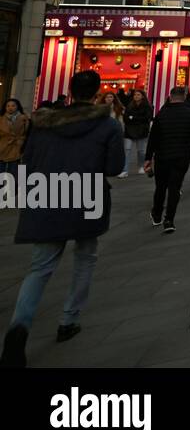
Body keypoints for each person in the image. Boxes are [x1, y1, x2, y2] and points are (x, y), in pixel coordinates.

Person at [0, 70, 124, 367]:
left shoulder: (43, 124)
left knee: (40, 266)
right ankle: (69, 319)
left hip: (47, 194)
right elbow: (114, 166)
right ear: (96, 93)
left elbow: (27, 159)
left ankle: (19, 328)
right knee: (85, 257)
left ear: (70, 91)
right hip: (86, 194)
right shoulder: (106, 125)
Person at [146, 86, 190, 233]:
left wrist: (148, 157)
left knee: (161, 187)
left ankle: (157, 213)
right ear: (184, 96)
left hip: (162, 156)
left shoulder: (162, 113)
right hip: (182, 155)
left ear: (170, 96)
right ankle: (169, 220)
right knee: (174, 188)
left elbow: (153, 137)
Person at [92, 92, 126, 178]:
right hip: (102, 132)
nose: (109, 98)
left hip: (115, 132)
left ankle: (115, 168)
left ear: (114, 98)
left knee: (114, 151)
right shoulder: (99, 108)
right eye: (107, 97)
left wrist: (121, 132)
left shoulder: (119, 108)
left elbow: (121, 122)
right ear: (104, 98)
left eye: (111, 97)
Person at [122, 90, 152, 175]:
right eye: (135, 94)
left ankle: (141, 166)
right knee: (127, 150)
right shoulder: (129, 105)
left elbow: (146, 118)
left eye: (138, 94)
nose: (136, 96)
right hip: (129, 130)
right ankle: (125, 170)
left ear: (142, 96)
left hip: (142, 131)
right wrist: (135, 118)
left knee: (141, 151)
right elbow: (126, 118)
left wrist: (133, 117)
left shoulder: (147, 106)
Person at [0, 98, 31, 177]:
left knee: (14, 171)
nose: (10, 108)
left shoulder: (24, 119)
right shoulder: (1, 119)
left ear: (17, 107)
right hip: (3, 146)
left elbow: (27, 132)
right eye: (8, 106)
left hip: (17, 146)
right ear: (5, 107)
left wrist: (21, 141)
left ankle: (12, 187)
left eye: (13, 106)